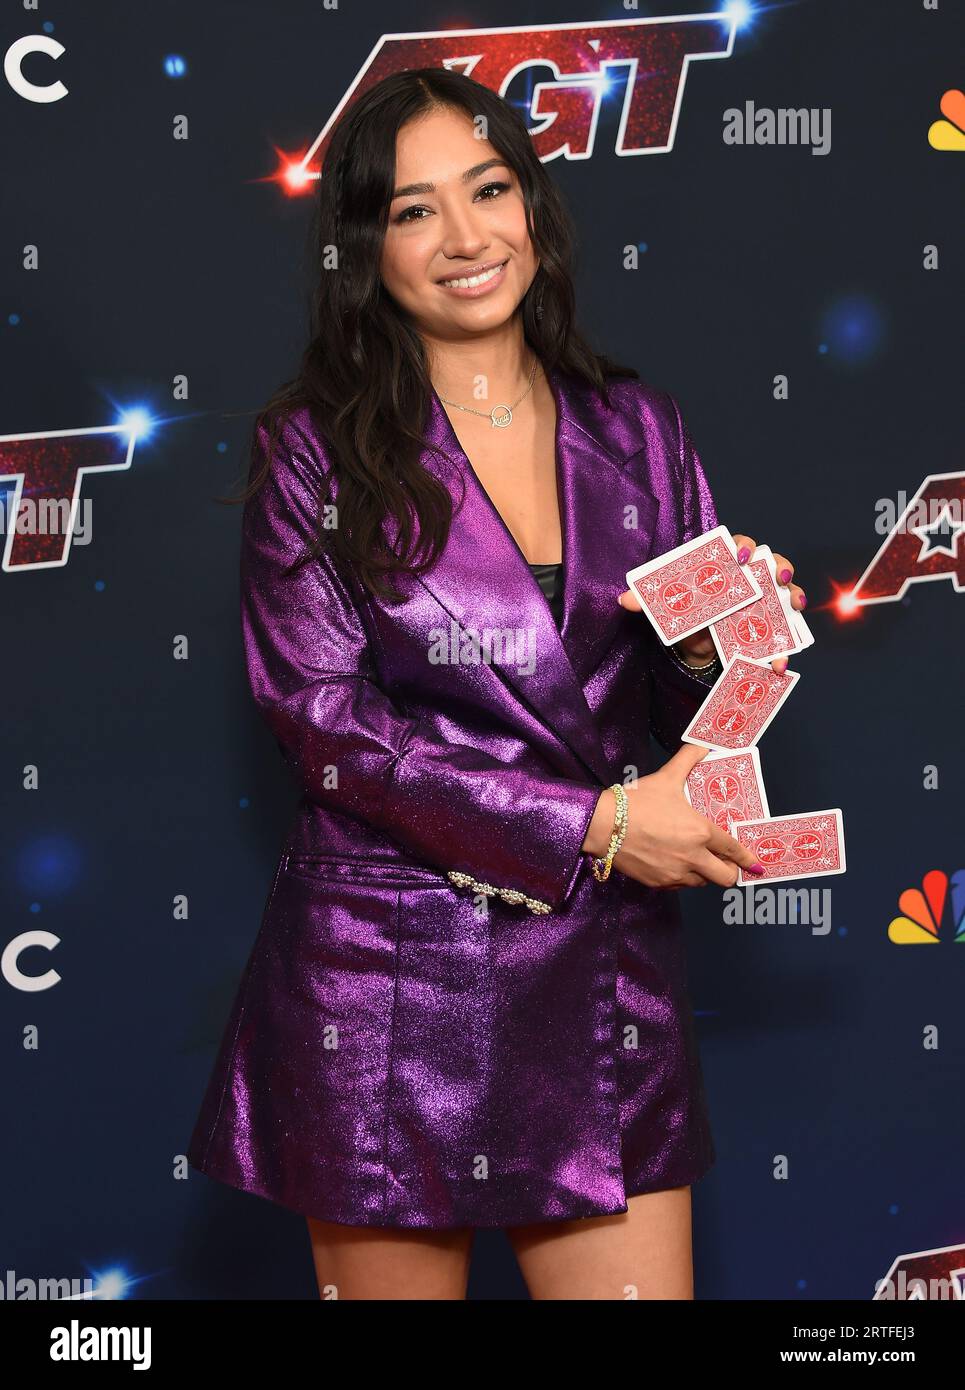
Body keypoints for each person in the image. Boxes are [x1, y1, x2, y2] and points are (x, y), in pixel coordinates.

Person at [186, 67, 806, 1301]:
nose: (465, 238)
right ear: (365, 246)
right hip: (390, 985)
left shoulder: (638, 426)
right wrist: (594, 824)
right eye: (414, 210)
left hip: (601, 984)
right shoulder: (309, 446)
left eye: (488, 189)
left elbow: (676, 713)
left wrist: (713, 649)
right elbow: (326, 726)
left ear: (533, 205)